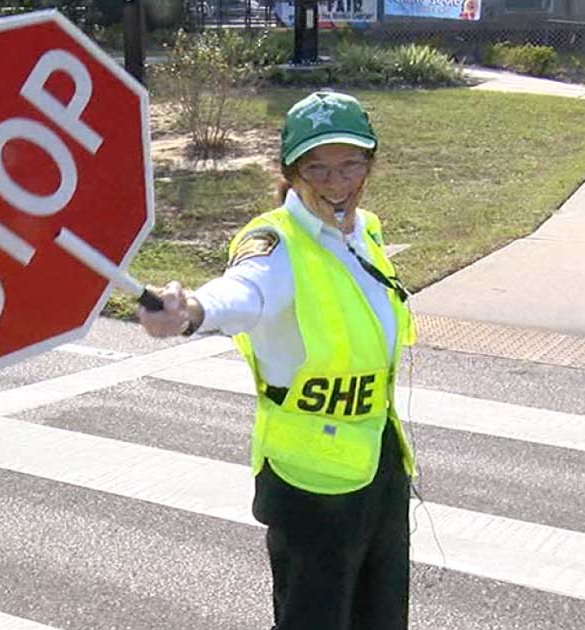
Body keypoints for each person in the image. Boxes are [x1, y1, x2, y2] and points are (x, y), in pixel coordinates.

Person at [139, 91, 418, 630]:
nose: (337, 182)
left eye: (351, 164)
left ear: (371, 163)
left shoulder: (365, 231)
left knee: (382, 617)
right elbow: (241, 292)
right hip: (310, 479)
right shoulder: (275, 243)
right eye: (317, 168)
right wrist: (191, 310)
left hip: (377, 459)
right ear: (290, 172)